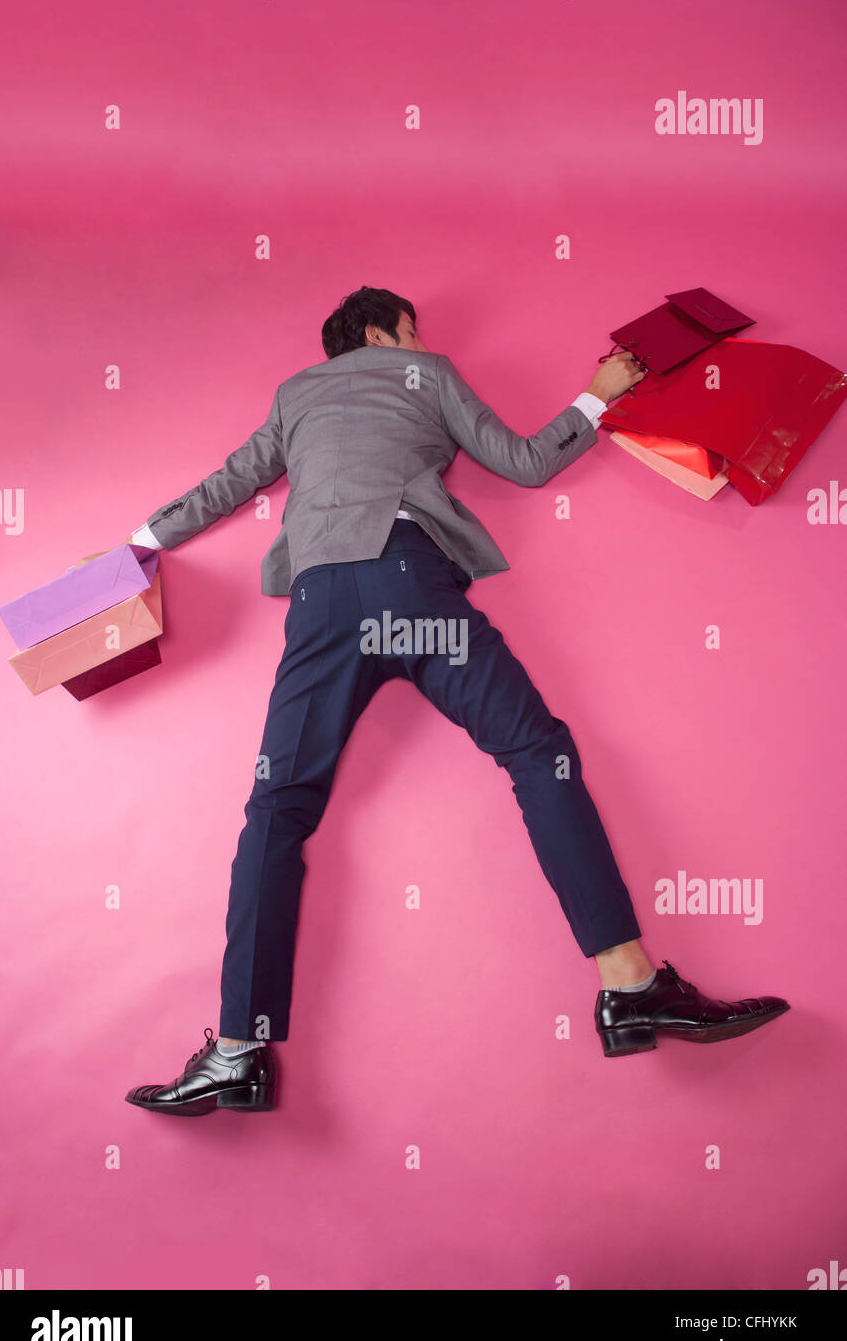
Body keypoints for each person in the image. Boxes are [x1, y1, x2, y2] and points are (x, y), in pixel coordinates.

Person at [95, 286, 787, 1115]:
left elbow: (230, 482)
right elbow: (525, 462)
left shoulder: (295, 394)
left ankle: (238, 1048)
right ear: (389, 331)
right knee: (537, 753)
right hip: (411, 595)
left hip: (322, 610)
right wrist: (599, 390)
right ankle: (629, 984)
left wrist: (137, 545)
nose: (418, 342)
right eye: (412, 331)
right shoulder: (425, 372)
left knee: (278, 807)